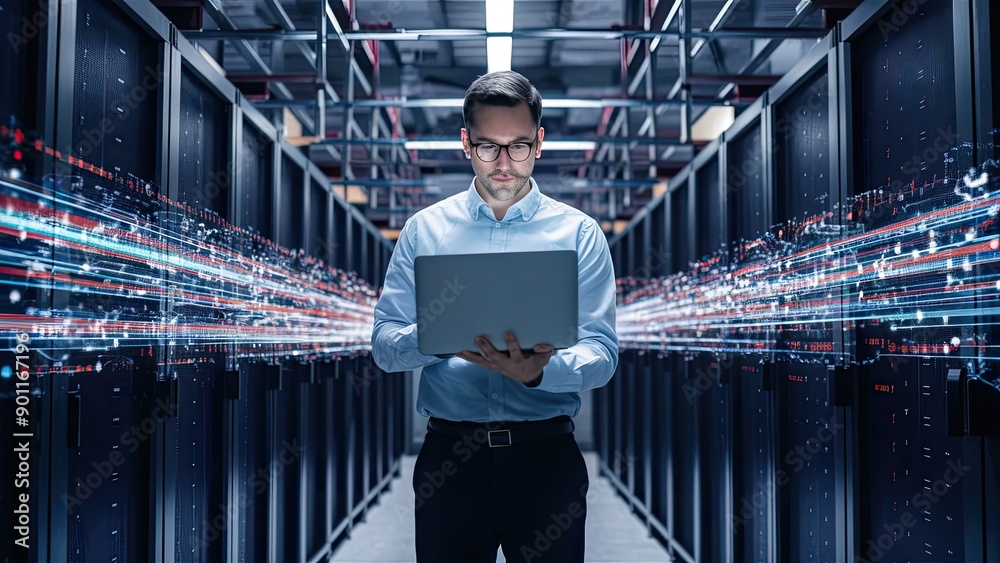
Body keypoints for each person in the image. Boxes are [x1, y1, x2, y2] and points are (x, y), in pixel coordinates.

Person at [371, 70, 618, 563]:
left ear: (540, 142)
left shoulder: (579, 234)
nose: (504, 163)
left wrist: (541, 372)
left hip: (546, 460)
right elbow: (383, 346)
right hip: (449, 462)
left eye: (519, 146)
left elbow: (602, 353)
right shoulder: (426, 231)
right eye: (488, 147)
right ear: (466, 142)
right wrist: (437, 336)